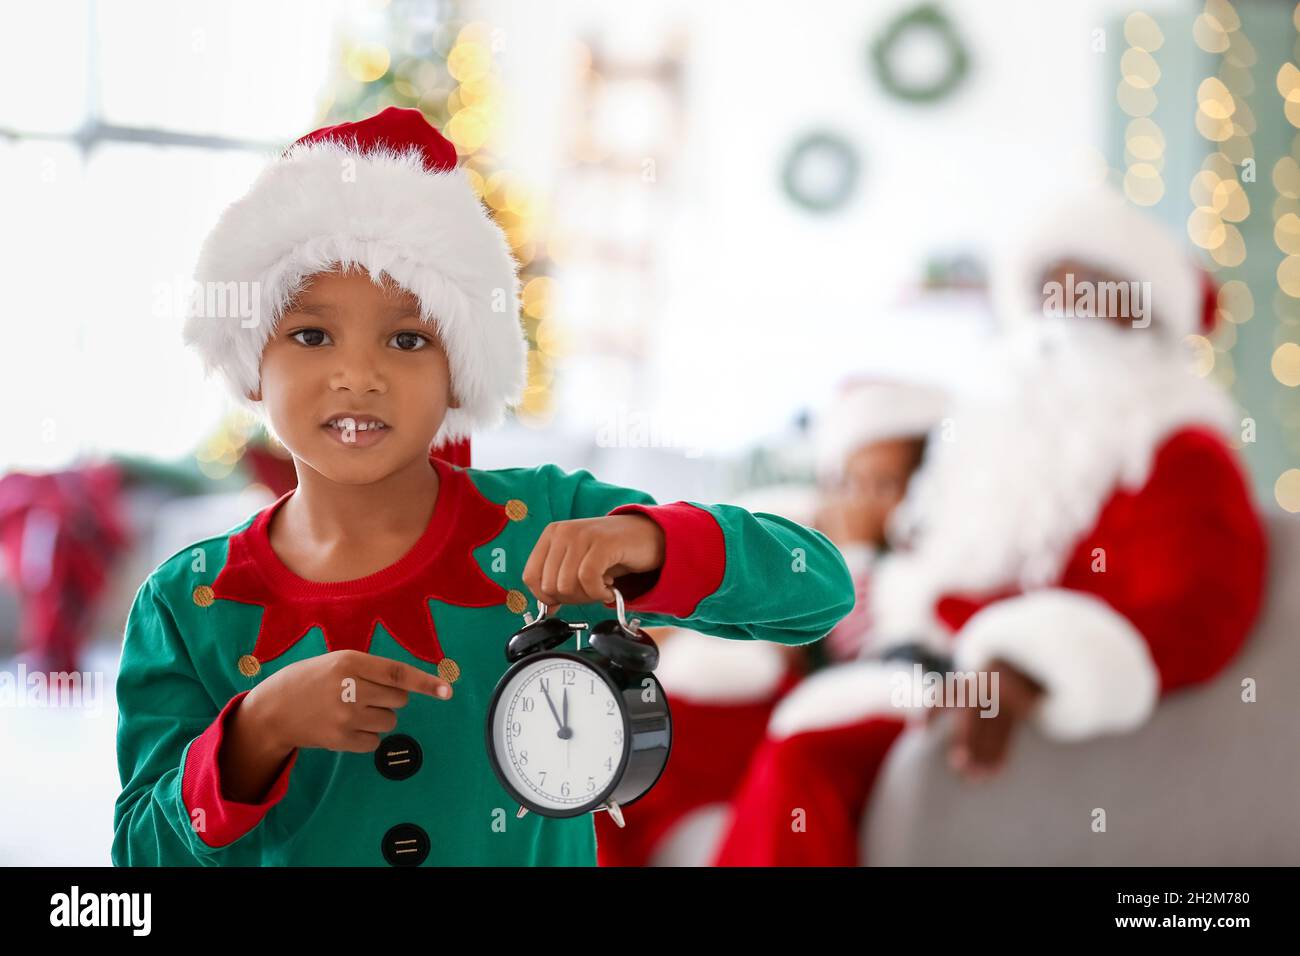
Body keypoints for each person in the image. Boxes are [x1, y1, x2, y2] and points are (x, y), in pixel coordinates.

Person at [111, 108, 857, 867]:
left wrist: (652, 541)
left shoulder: (541, 521)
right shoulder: (183, 604)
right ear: (250, 361)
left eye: (409, 339)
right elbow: (139, 861)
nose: (359, 376)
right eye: (311, 334)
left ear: (459, 369)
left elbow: (821, 588)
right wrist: (256, 732)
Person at [711, 185, 1268, 867]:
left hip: (1006, 701)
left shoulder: (1181, 454)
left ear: (1143, 321)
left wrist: (1029, 664)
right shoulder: (996, 437)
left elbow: (1195, 616)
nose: (1057, 325)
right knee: (670, 730)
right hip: (903, 659)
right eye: (1045, 298)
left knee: (807, 759)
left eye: (1090, 298)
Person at [594, 379, 944, 866]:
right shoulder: (810, 535)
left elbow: (867, 652)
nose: (861, 501)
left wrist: (859, 556)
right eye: (849, 483)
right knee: (639, 731)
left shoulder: (917, 568)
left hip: (838, 702)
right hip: (770, 693)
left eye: (883, 485)